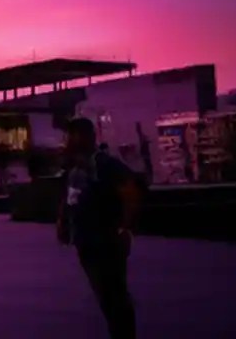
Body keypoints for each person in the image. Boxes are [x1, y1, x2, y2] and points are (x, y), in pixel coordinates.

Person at [58, 117, 141, 339]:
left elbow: (130, 192)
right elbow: (69, 197)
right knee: (104, 294)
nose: (66, 141)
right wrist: (63, 224)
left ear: (84, 137)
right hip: (84, 240)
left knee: (113, 293)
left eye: (71, 135)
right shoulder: (74, 168)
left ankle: (124, 334)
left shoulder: (104, 164)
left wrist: (124, 227)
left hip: (105, 240)